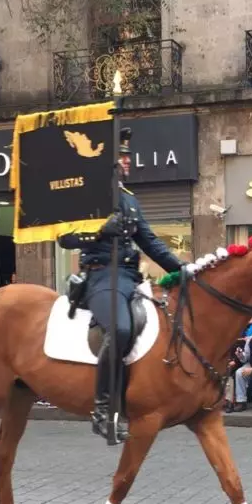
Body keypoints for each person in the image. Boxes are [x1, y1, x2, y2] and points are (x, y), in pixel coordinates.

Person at [58, 129, 182, 439]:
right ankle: (102, 409)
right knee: (121, 329)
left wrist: (184, 269)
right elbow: (64, 237)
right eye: (121, 157)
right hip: (101, 275)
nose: (127, 162)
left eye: (128, 156)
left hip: (130, 278)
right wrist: (101, 229)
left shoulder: (129, 200)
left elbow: (151, 243)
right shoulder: (86, 194)